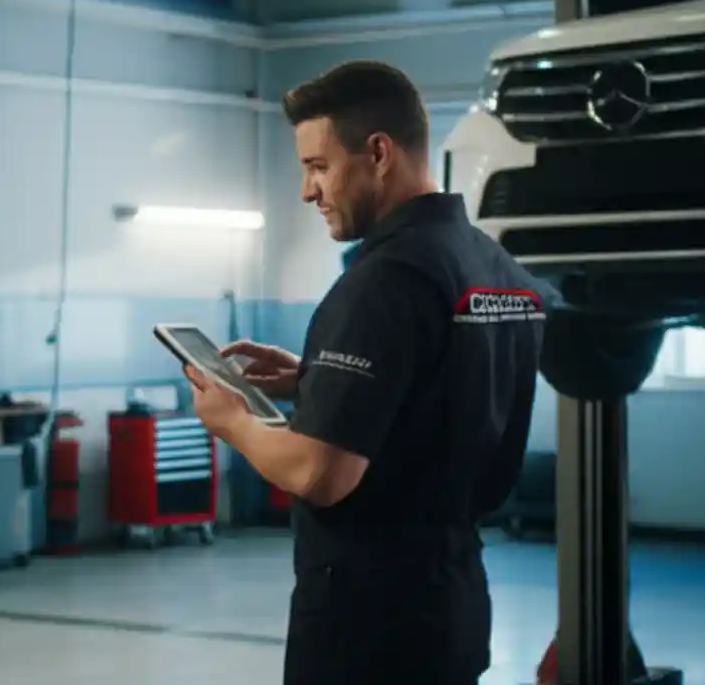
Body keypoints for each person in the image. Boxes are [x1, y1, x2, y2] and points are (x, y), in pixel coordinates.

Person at [184, 60, 551, 684]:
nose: (307, 192)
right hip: (453, 601)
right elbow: (436, 387)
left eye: (318, 167)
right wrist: (314, 380)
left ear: (378, 153)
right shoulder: (494, 266)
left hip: (367, 625)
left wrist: (233, 421)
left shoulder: (382, 280)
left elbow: (320, 472)